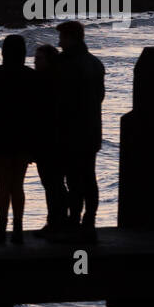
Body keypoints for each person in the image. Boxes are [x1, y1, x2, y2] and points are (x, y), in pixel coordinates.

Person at [0, 34, 37, 244]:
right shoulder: (31, 76)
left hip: (1, 137)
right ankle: (18, 229)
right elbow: (37, 110)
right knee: (18, 185)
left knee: (2, 185)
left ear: (4, 52)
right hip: (23, 138)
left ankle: (1, 229)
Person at [55, 19, 105, 243]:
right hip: (92, 130)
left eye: (62, 38)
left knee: (74, 180)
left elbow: (61, 101)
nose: (59, 42)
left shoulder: (66, 64)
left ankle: (74, 222)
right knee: (88, 177)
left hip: (72, 131)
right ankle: (89, 222)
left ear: (70, 38)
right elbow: (100, 97)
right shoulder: (95, 63)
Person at [32, 42, 67, 237]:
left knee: (52, 183)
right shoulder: (60, 80)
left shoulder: (44, 82)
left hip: (49, 141)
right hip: (55, 140)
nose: (35, 62)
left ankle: (55, 222)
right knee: (55, 183)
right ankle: (57, 221)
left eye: (39, 59)